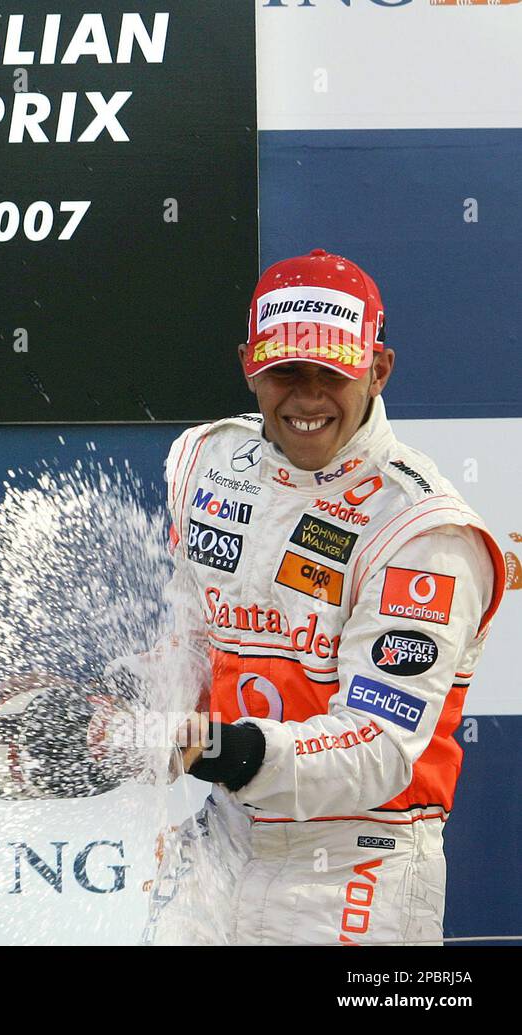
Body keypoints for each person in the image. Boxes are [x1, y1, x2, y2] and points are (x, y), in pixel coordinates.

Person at [143, 248, 505, 945]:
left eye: (331, 374)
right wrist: (129, 706)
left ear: (378, 369)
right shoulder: (206, 462)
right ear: (249, 363)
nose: (307, 398)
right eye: (285, 372)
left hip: (359, 868)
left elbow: (377, 746)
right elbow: (193, 639)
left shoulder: (423, 530)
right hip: (220, 844)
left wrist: (213, 749)